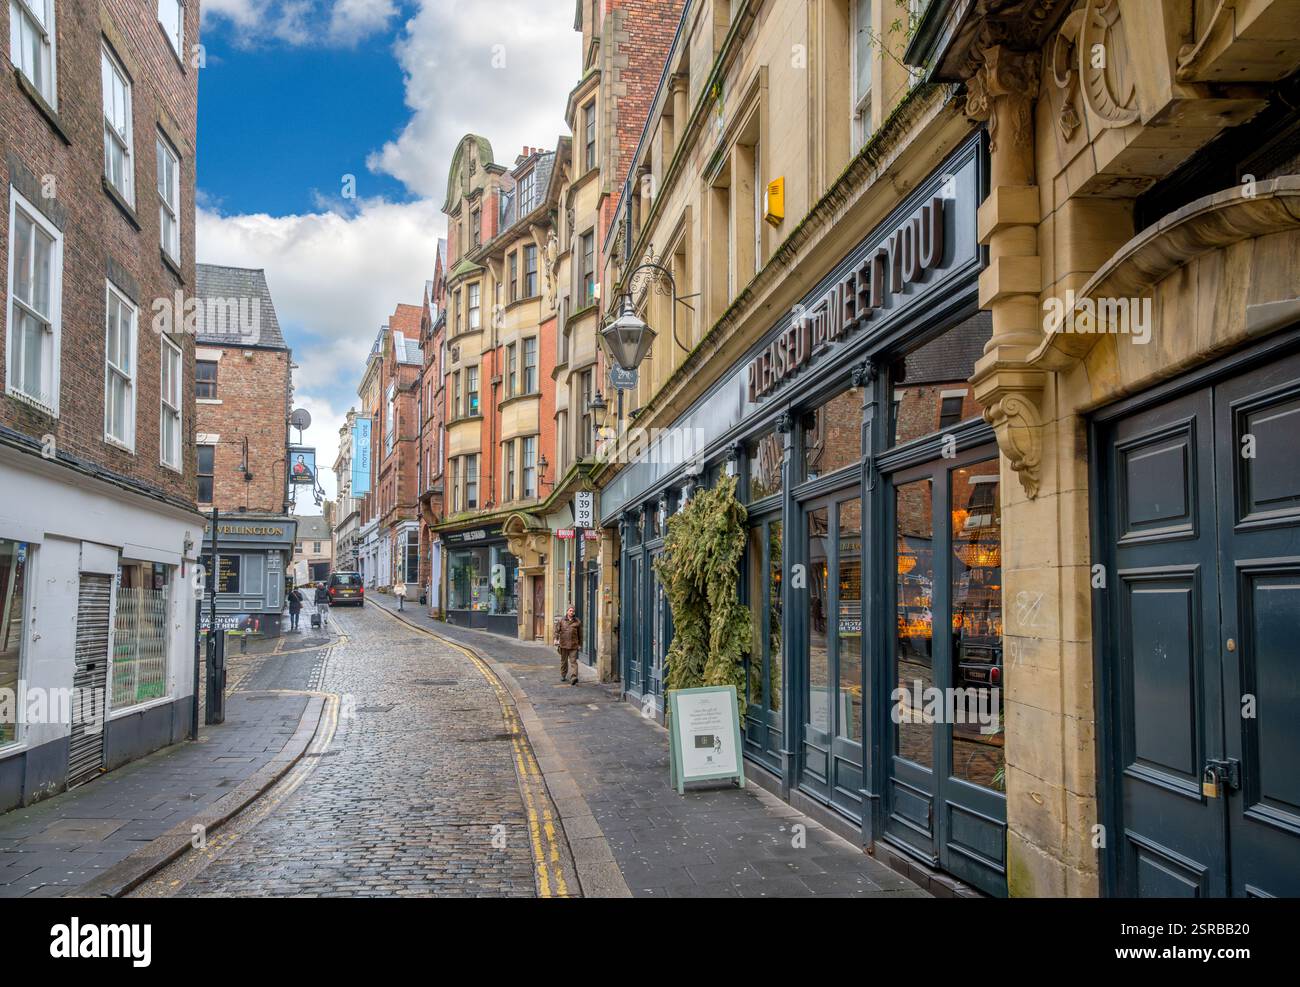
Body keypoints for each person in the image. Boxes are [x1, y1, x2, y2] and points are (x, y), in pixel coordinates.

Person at [554, 605, 582, 686]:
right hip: (563, 645)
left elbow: (580, 635)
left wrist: (580, 644)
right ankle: (563, 675)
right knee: (564, 662)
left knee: (573, 662)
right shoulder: (561, 621)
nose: (571, 612)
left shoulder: (577, 622)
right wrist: (556, 639)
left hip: (573, 645)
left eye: (573, 611)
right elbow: (556, 631)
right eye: (570, 610)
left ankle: (574, 677)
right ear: (567, 611)